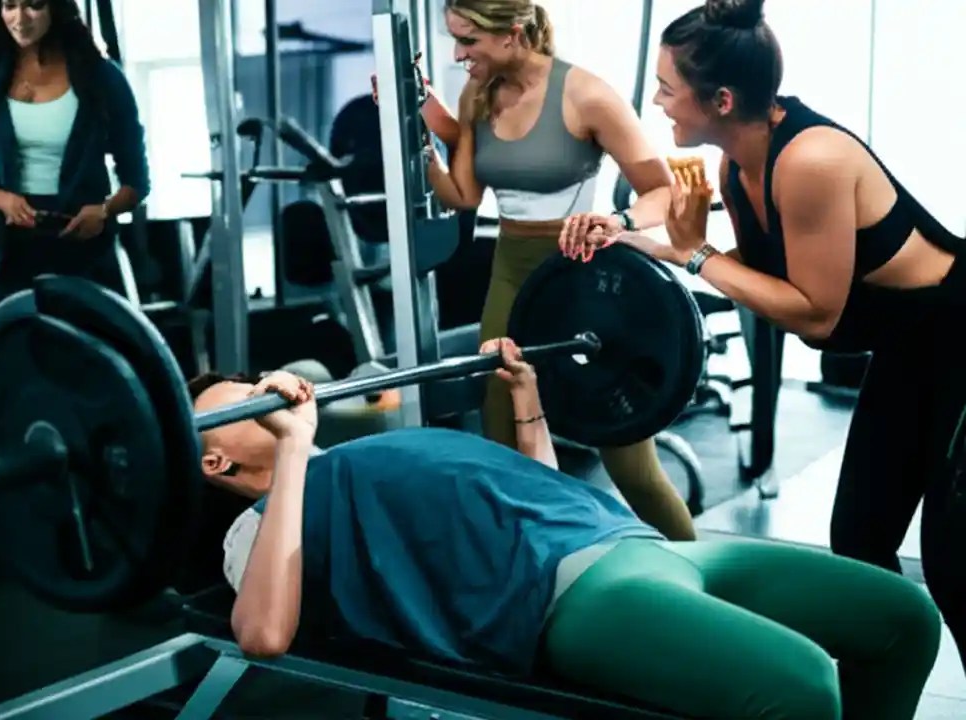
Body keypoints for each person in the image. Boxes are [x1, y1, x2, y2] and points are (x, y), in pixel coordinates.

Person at [189, 340, 941, 719]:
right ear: (216, 460)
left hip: (640, 545)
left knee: (904, 618)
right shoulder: (264, 522)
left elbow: (540, 491)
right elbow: (262, 634)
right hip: (578, 597)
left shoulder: (367, 450)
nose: (270, 392)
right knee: (804, 688)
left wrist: (527, 397)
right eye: (246, 401)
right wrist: (292, 449)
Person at [596, 0, 966, 671]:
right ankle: (875, 697)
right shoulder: (740, 165)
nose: (658, 102)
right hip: (913, 347)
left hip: (962, 334)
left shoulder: (810, 160)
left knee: (957, 560)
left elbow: (813, 314)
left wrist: (694, 255)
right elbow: (759, 279)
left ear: (722, 98)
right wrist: (637, 236)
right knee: (858, 539)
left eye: (668, 89)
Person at [374, 0, 694, 541]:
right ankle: (532, 573)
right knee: (504, 442)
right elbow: (463, 193)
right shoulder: (477, 93)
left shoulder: (587, 95)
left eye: (468, 40)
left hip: (582, 280)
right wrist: (413, 123)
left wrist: (615, 220)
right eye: (454, 40)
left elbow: (665, 191)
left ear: (513, 32)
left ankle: (701, 566)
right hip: (511, 275)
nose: (459, 54)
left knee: (629, 463)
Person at [0, 0, 150, 304]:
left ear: (56, 8)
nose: (20, 19)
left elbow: (137, 181)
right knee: (9, 348)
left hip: (82, 256)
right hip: (0, 257)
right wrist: (4, 201)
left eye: (34, 6)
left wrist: (104, 211)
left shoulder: (102, 77)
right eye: (9, 6)